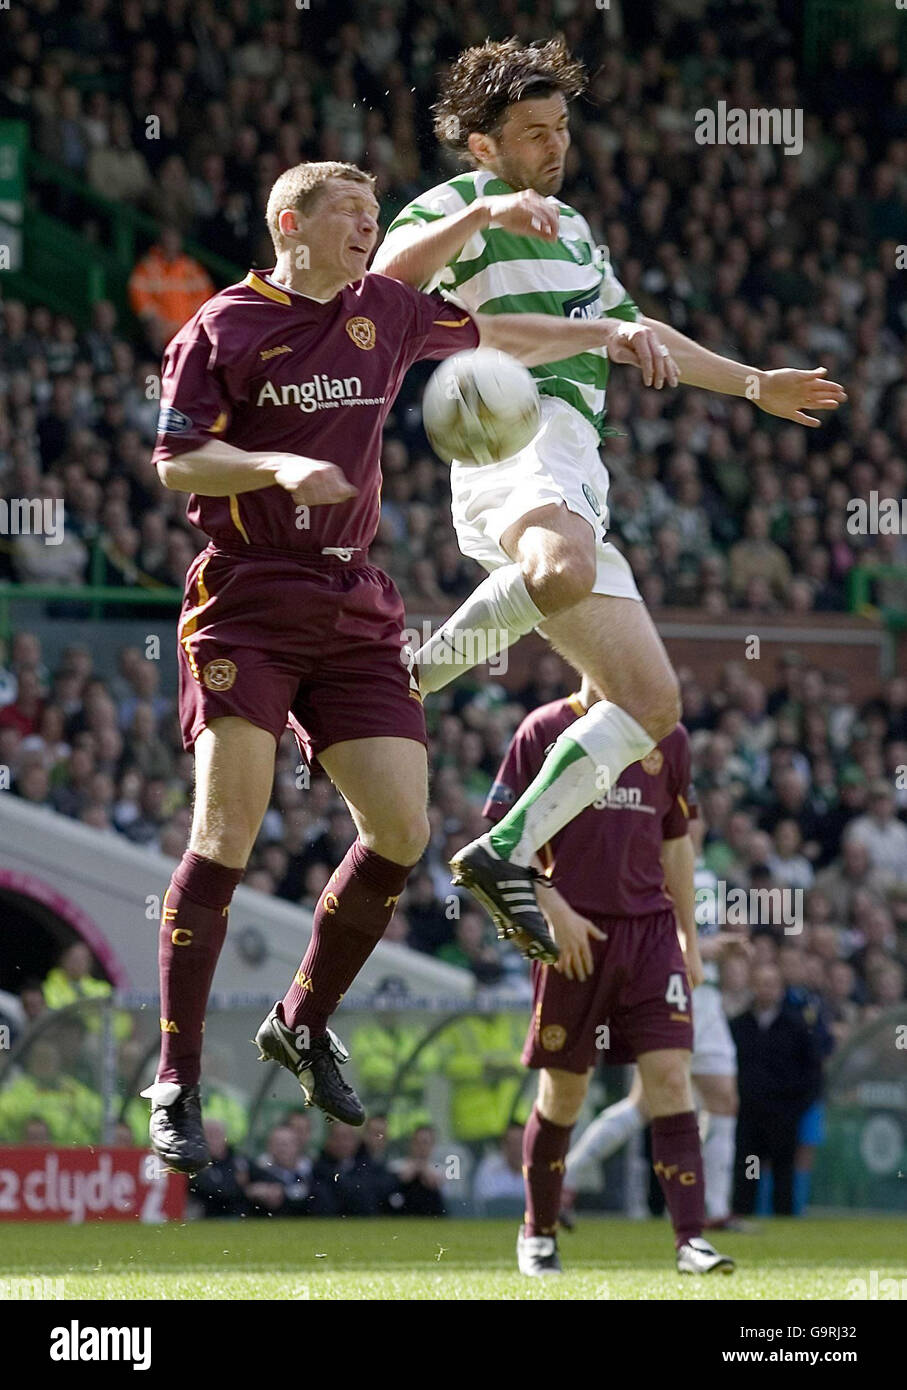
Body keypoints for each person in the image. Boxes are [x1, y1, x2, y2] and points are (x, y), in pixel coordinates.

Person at [141, 158, 659, 1175]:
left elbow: (504, 335)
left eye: (378, 216)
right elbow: (176, 460)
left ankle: (302, 1019)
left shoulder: (385, 309)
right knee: (226, 832)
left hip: (354, 602)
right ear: (291, 223)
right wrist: (275, 464)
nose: (370, 230)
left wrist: (603, 334)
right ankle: (176, 1075)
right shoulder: (223, 327)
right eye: (351, 215)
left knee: (402, 831)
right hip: (247, 596)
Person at [373, 36, 846, 953]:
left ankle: (505, 850)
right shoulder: (450, 207)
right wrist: (487, 214)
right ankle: (406, 679)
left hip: (577, 457)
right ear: (480, 143)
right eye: (532, 133)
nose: (555, 148)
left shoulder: (575, 227)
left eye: (560, 129)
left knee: (650, 704)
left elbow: (633, 330)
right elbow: (384, 293)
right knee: (556, 567)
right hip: (514, 425)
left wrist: (753, 385)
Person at [484, 675, 733, 1276]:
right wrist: (551, 906)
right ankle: (538, 1233)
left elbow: (677, 845)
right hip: (575, 939)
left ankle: (690, 1241)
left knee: (672, 1081)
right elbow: (496, 840)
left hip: (650, 936)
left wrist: (689, 942)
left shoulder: (666, 735)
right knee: (564, 1094)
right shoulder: (541, 729)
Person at [564, 815, 742, 1230]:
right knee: (646, 1104)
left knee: (723, 1100)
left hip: (707, 997)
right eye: (687, 820)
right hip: (672, 989)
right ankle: (565, 1174)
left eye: (697, 821)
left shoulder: (705, 875)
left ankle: (713, 1206)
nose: (694, 828)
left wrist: (718, 952)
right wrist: (712, 948)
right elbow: (658, 935)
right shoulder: (655, 872)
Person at [730, 963, 822, 1217]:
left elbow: (813, 1071)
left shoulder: (796, 1027)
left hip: (784, 1114)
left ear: (781, 989)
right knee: (747, 1171)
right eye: (760, 983)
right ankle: (741, 1216)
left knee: (784, 1173)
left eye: (771, 984)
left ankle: (785, 1222)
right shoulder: (738, 1026)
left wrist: (795, 1108)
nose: (765, 990)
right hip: (748, 1114)